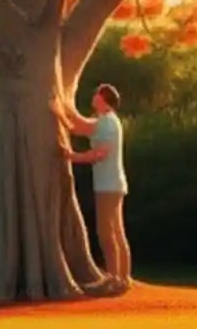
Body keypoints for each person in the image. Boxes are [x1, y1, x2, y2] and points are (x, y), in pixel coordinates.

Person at [60, 83, 131, 294]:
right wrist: (61, 112)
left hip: (109, 185)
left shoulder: (108, 122)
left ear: (103, 98)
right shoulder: (105, 121)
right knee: (116, 231)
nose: (94, 96)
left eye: (96, 93)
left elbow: (99, 154)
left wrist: (73, 157)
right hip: (111, 184)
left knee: (106, 231)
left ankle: (114, 279)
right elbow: (79, 127)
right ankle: (122, 278)